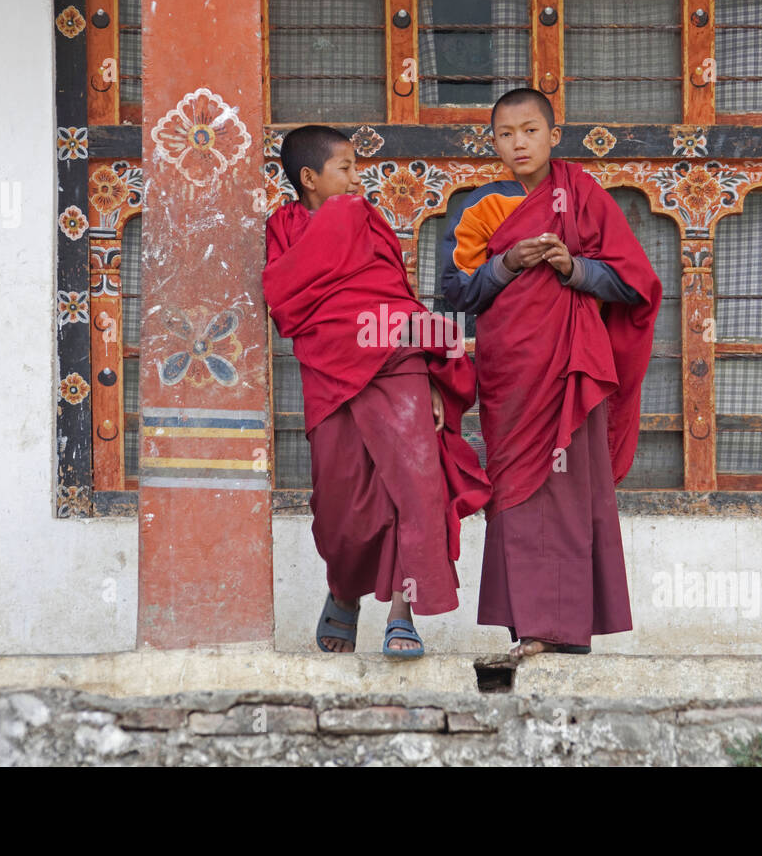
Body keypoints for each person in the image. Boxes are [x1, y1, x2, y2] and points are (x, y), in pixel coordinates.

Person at [439, 90, 662, 658]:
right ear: (493, 143)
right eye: (506, 133)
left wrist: (576, 268)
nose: (519, 143)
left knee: (566, 493)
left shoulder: (582, 195)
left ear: (553, 135)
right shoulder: (479, 206)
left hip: (570, 373)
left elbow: (637, 285)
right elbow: (458, 293)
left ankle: (566, 629)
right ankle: (530, 626)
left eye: (530, 130)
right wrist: (508, 264)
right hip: (511, 373)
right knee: (515, 493)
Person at [263, 126, 490, 658]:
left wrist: (434, 370)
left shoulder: (367, 218)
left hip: (397, 367)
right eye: (345, 168)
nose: (355, 179)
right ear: (309, 178)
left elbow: (395, 295)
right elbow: (284, 298)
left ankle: (401, 613)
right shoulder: (286, 226)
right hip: (330, 376)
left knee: (413, 489)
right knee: (341, 503)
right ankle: (344, 591)